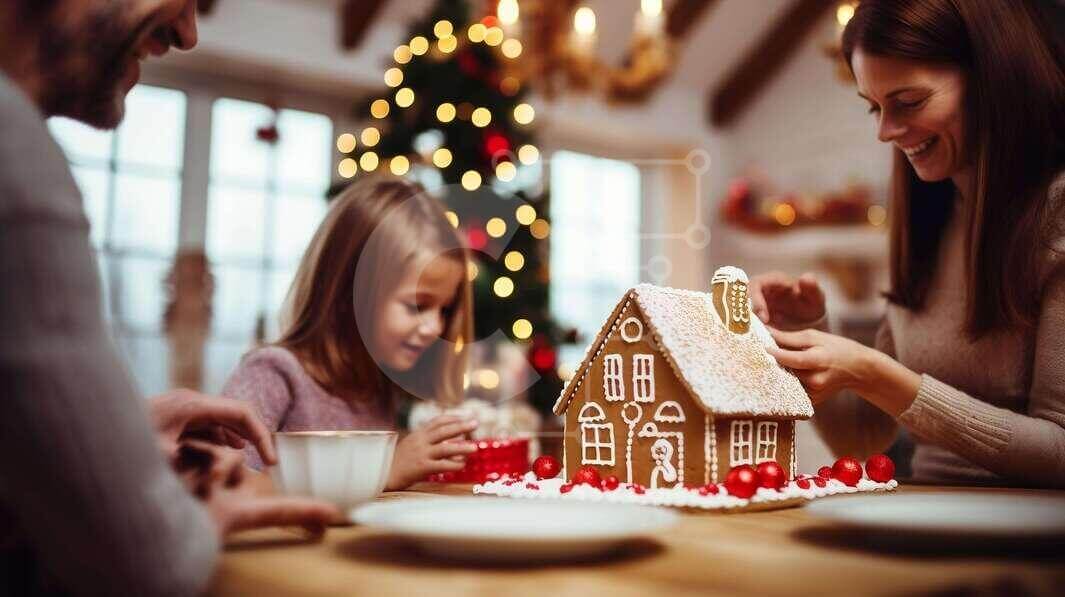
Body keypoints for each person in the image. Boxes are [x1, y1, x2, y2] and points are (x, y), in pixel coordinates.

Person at [0, 2, 338, 594]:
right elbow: (140, 561)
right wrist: (197, 521)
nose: (188, 31)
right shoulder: (12, 153)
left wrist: (123, 429)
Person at [750, 0, 1065, 488]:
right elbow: (860, 439)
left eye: (909, 102)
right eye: (874, 106)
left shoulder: (1057, 213)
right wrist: (808, 332)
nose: (885, 131)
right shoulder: (928, 218)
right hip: (924, 520)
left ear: (991, 80)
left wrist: (877, 374)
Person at [223, 175, 480, 490]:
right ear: (349, 294)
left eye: (445, 310)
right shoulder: (273, 374)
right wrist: (381, 474)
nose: (436, 328)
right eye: (417, 306)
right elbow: (221, 483)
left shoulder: (377, 390)